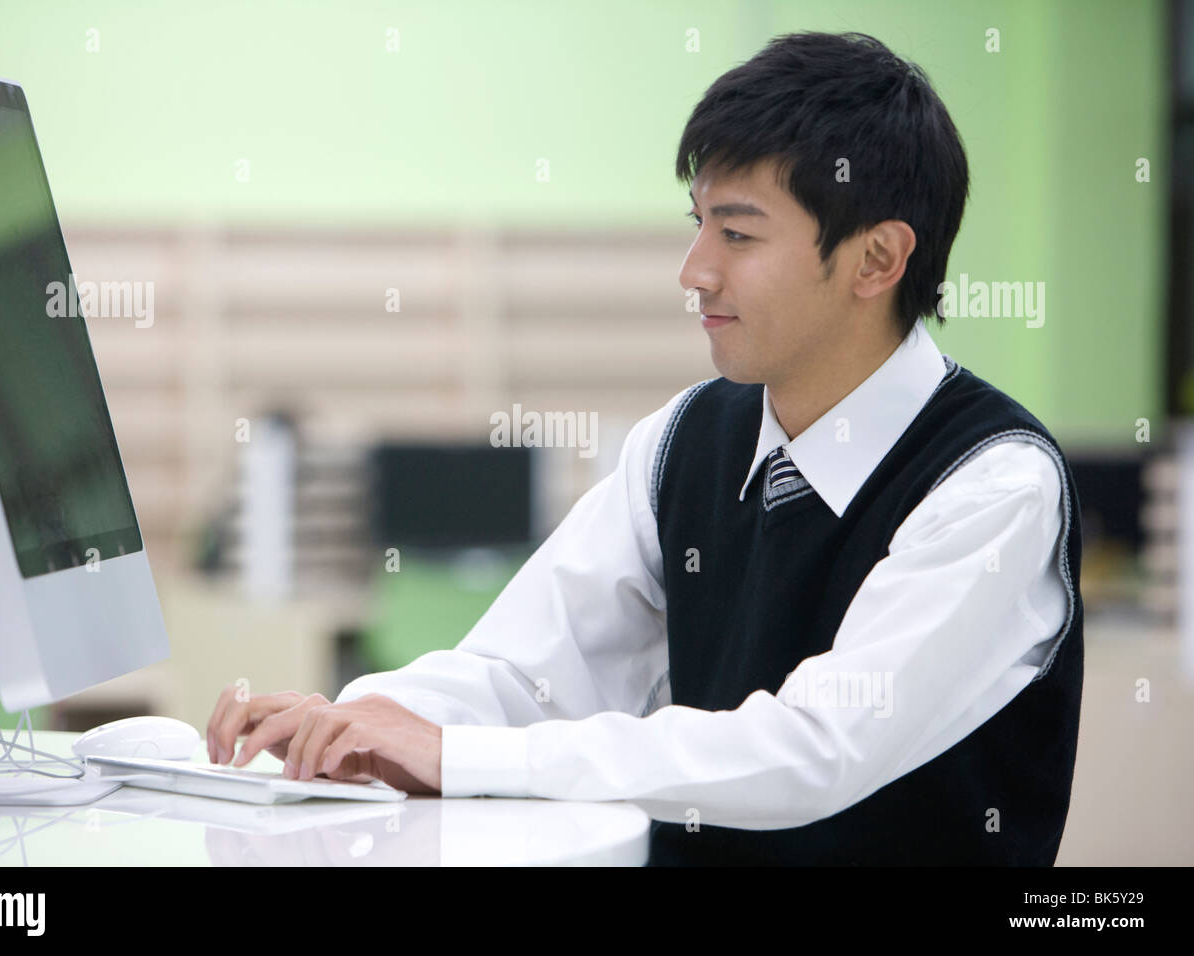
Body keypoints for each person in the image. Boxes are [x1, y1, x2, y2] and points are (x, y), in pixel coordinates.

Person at [206, 30, 1084, 865]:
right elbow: (524, 672)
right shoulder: (684, 439)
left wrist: (461, 758)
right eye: (697, 224)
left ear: (877, 259)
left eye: (737, 234)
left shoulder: (995, 485)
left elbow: (816, 749)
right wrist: (358, 720)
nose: (695, 270)